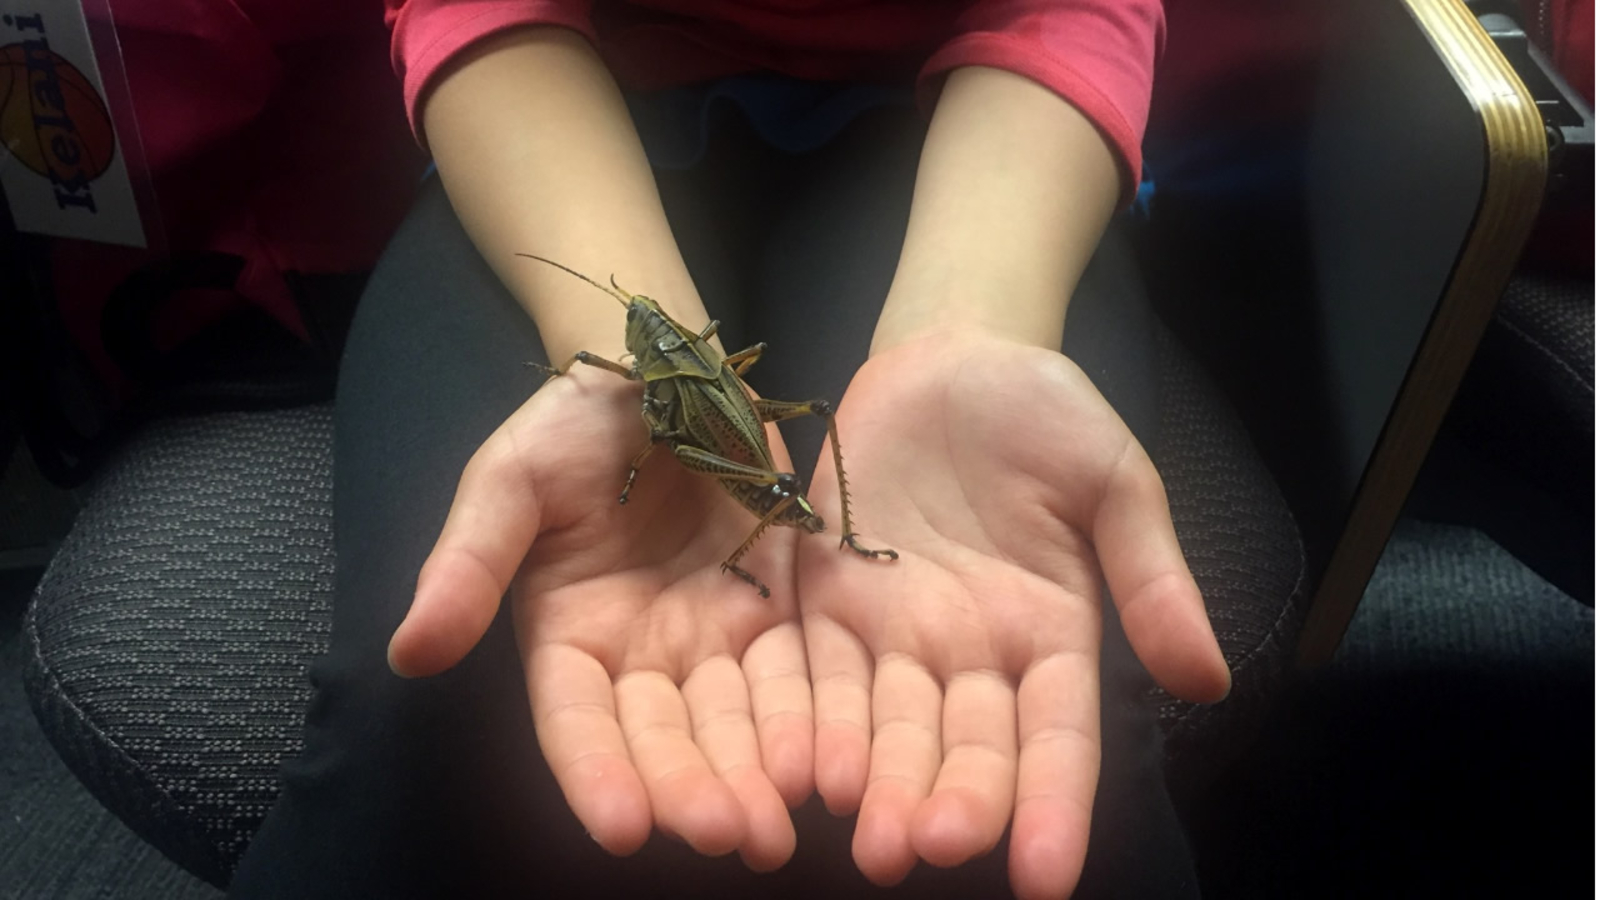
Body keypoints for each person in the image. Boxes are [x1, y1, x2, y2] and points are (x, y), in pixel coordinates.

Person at [229, 4, 1231, 898]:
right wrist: (607, 344)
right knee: (421, 712)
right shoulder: (634, 339)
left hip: (971, 138)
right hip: (550, 121)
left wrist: (962, 334)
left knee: (1057, 740)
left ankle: (808, 527)